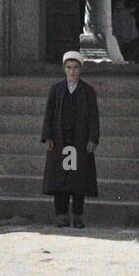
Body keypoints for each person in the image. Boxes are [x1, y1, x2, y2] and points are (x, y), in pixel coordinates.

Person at [41, 50, 99, 227]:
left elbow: (93, 117)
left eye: (75, 68)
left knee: (77, 179)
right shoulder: (56, 90)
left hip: (78, 142)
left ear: (80, 69)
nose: (72, 72)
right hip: (60, 141)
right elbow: (49, 114)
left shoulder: (87, 91)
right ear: (64, 69)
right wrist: (48, 136)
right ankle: (62, 215)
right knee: (61, 179)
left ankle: (78, 216)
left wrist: (92, 139)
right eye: (69, 68)